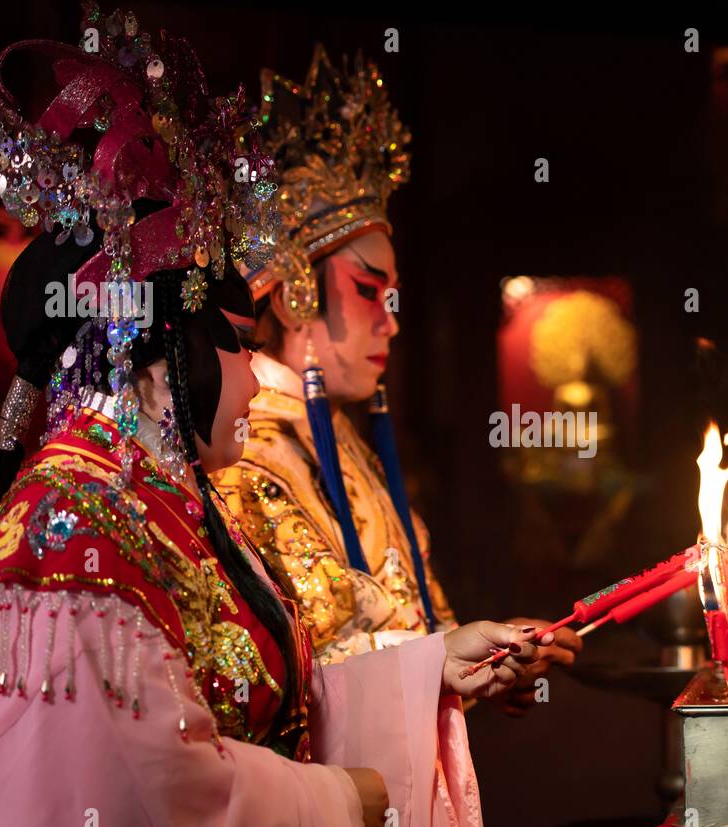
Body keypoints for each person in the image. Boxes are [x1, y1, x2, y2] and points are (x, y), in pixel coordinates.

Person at [0, 6, 545, 827]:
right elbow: (135, 810)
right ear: (157, 348)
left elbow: (271, 711)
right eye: (241, 347)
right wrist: (335, 803)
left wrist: (427, 671)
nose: (257, 377)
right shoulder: (73, 529)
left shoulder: (166, 503)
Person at [214, 47, 580, 714]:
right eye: (365, 290)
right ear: (296, 293)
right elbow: (292, 681)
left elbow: (414, 636)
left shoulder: (340, 441)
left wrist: (491, 661)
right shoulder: (240, 452)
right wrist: (440, 664)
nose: (392, 323)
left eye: (394, 297)